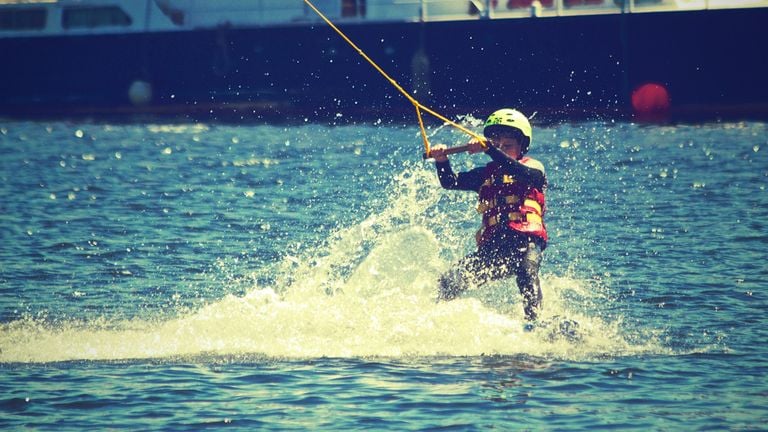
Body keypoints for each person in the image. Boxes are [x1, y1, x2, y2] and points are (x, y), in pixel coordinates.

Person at [430, 108, 547, 322]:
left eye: (508, 145)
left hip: (526, 243)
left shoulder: (533, 168)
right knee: (449, 280)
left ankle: (536, 323)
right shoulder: (483, 175)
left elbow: (523, 174)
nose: (501, 149)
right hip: (494, 248)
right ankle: (436, 321)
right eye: (497, 143)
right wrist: (441, 160)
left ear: (522, 146)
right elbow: (450, 182)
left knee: (526, 272)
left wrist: (491, 150)